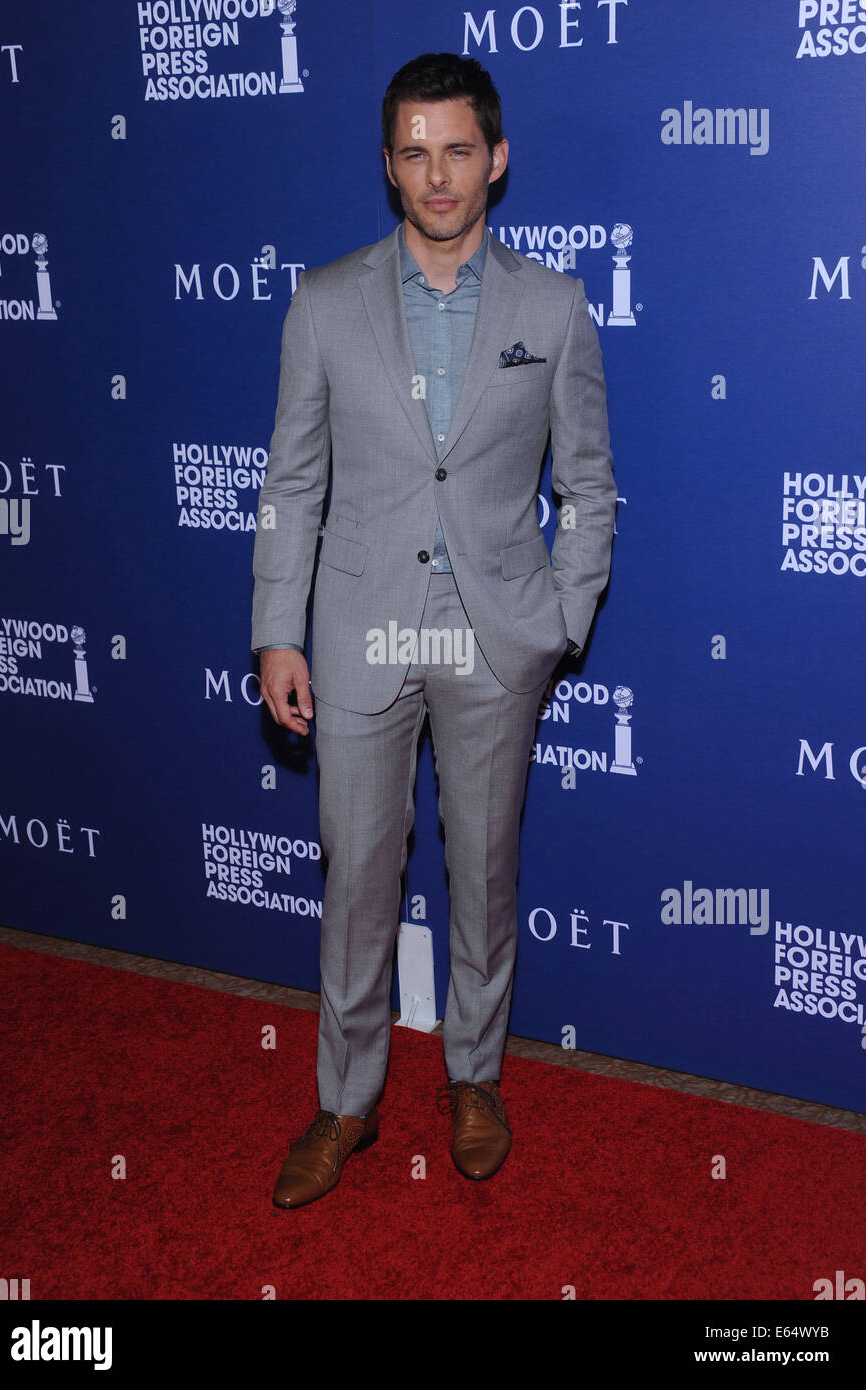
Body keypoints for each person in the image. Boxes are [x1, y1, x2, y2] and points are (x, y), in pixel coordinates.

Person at [251, 52, 616, 1209]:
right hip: (360, 630)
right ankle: (347, 1102)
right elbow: (291, 484)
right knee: (357, 877)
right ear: (390, 164)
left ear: (495, 159)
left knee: (486, 872)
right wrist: (277, 629)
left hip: (495, 635)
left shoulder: (552, 306)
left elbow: (591, 485)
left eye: (458, 148)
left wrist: (560, 620)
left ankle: (474, 1076)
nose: (437, 172)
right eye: (414, 151)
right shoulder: (323, 302)